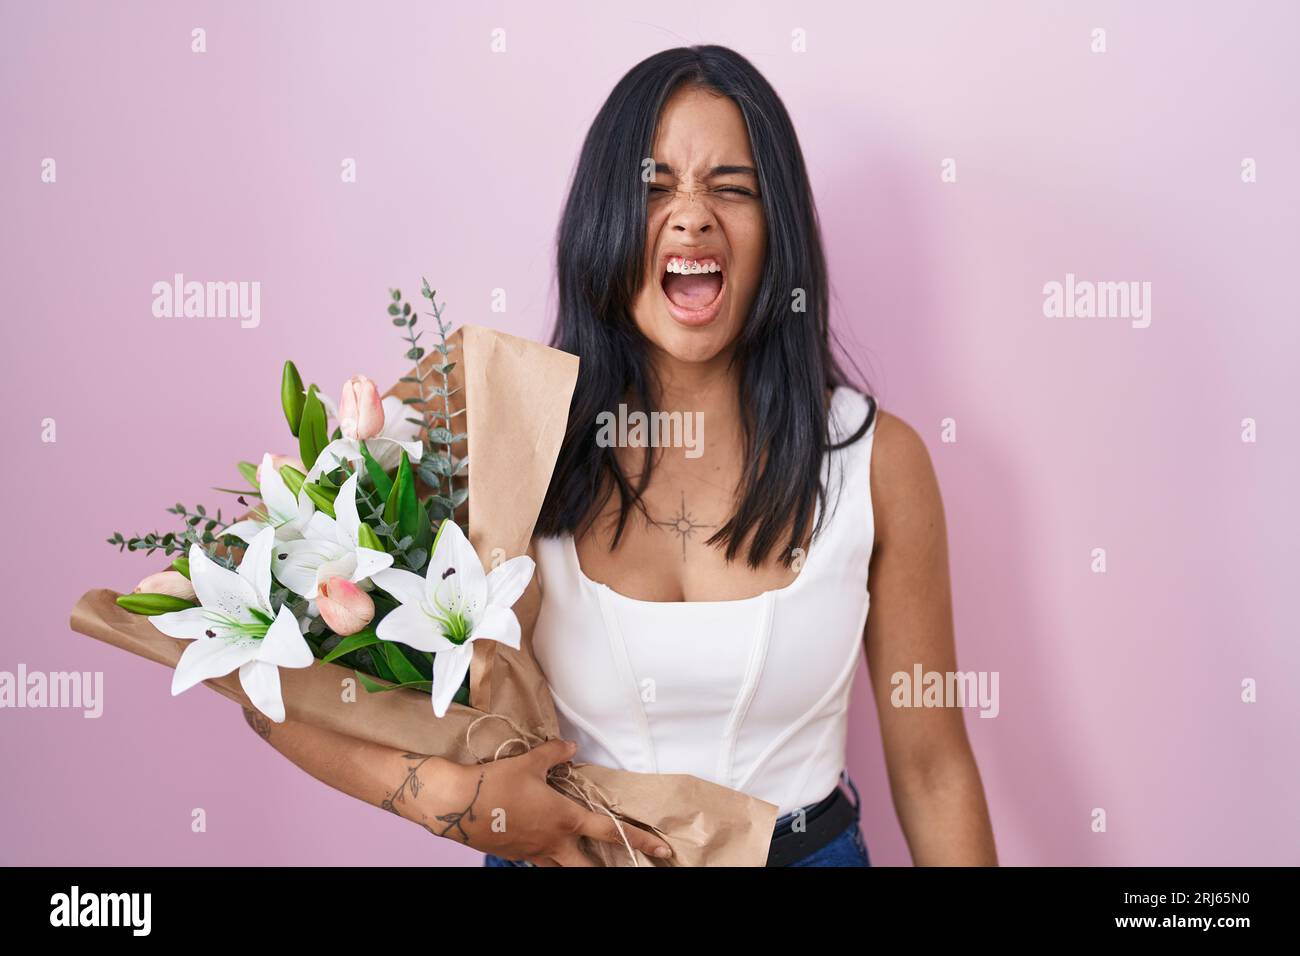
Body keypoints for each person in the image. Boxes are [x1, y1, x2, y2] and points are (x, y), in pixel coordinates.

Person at [251, 45, 997, 868]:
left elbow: (933, 772)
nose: (691, 214)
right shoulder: (500, 433)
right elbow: (260, 669)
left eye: (732, 186)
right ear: (602, 221)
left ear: (777, 229)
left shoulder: (878, 463)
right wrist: (453, 803)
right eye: (653, 186)